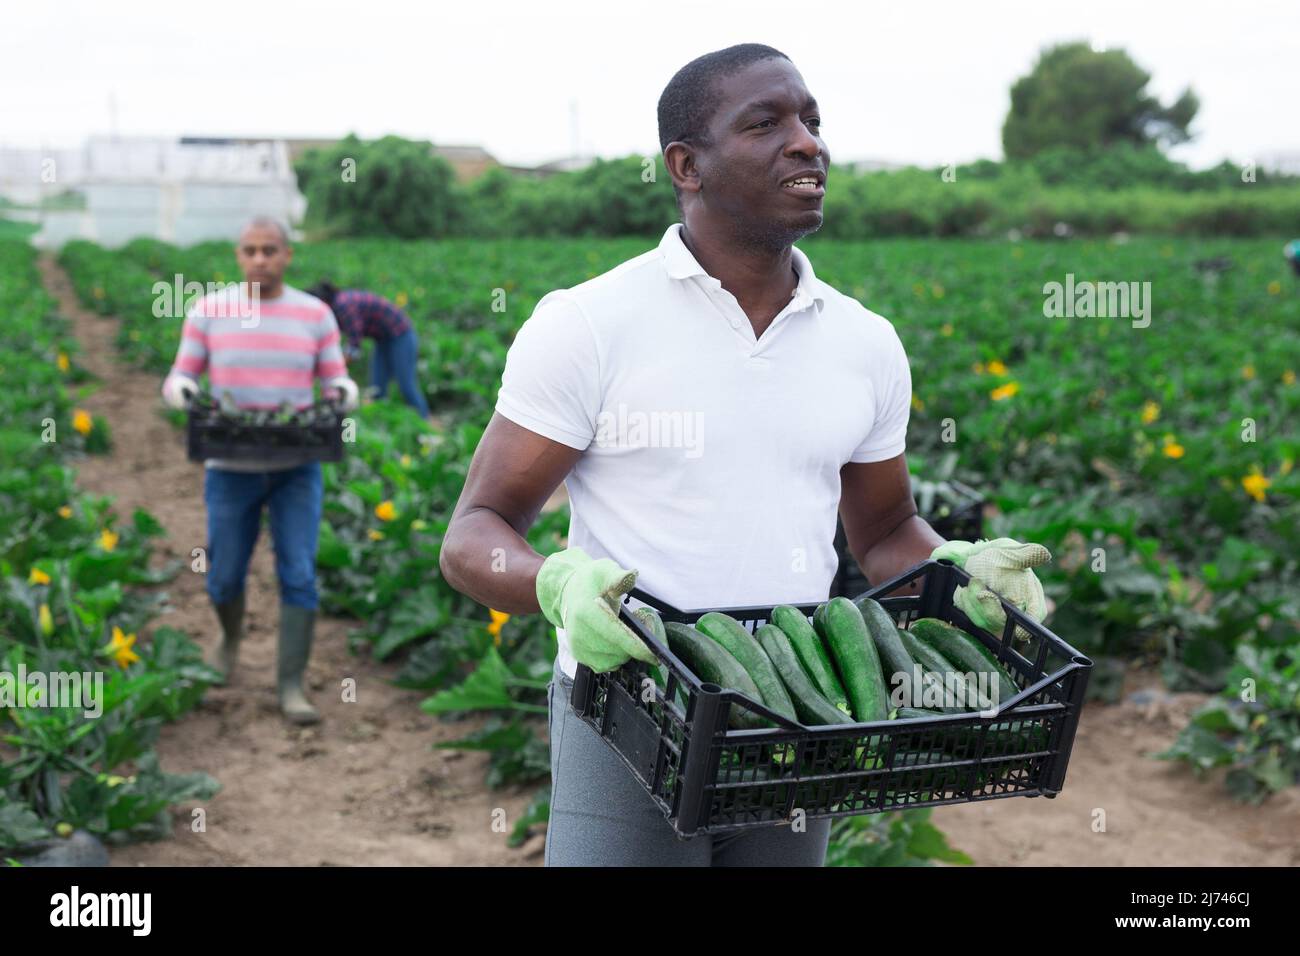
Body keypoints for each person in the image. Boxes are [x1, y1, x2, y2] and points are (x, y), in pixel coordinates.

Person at [440, 45, 1050, 866]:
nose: (807, 143)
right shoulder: (589, 324)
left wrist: (958, 566)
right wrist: (554, 583)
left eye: (812, 121)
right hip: (632, 711)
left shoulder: (865, 344)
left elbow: (882, 534)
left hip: (799, 713)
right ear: (686, 165)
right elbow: (475, 531)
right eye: (766, 123)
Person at [160, 216, 360, 725]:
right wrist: (180, 391)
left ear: (287, 255)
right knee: (224, 573)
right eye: (250, 250)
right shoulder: (210, 310)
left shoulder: (314, 314)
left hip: (297, 467)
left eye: (270, 250)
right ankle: (228, 639)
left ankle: (290, 684)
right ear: (238, 255)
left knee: (299, 572)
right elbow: (183, 373)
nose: (260, 259)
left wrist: (344, 395)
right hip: (230, 466)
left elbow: (335, 377)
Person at [305, 281, 433, 421]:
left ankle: (425, 424)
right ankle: (380, 426)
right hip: (382, 339)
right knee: (377, 389)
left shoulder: (343, 306)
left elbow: (354, 347)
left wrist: (332, 370)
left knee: (406, 385)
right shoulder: (337, 305)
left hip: (401, 335)